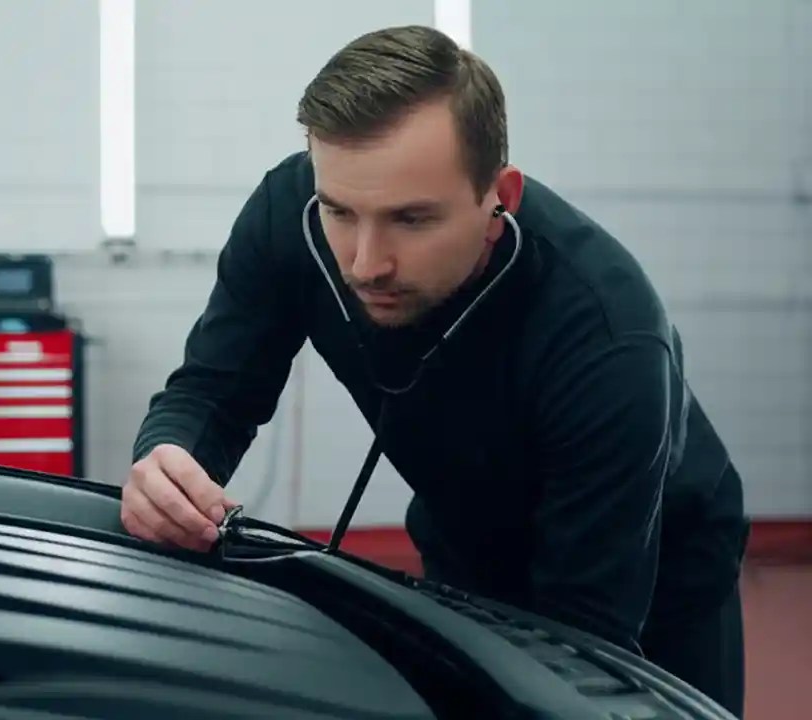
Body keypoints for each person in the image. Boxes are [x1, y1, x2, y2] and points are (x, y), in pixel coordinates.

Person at [120, 24, 751, 716]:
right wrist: (167, 457)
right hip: (465, 535)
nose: (365, 263)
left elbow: (586, 635)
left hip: (653, 566)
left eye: (412, 220)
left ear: (498, 199)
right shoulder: (288, 215)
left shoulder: (606, 338)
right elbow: (213, 392)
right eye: (340, 212)